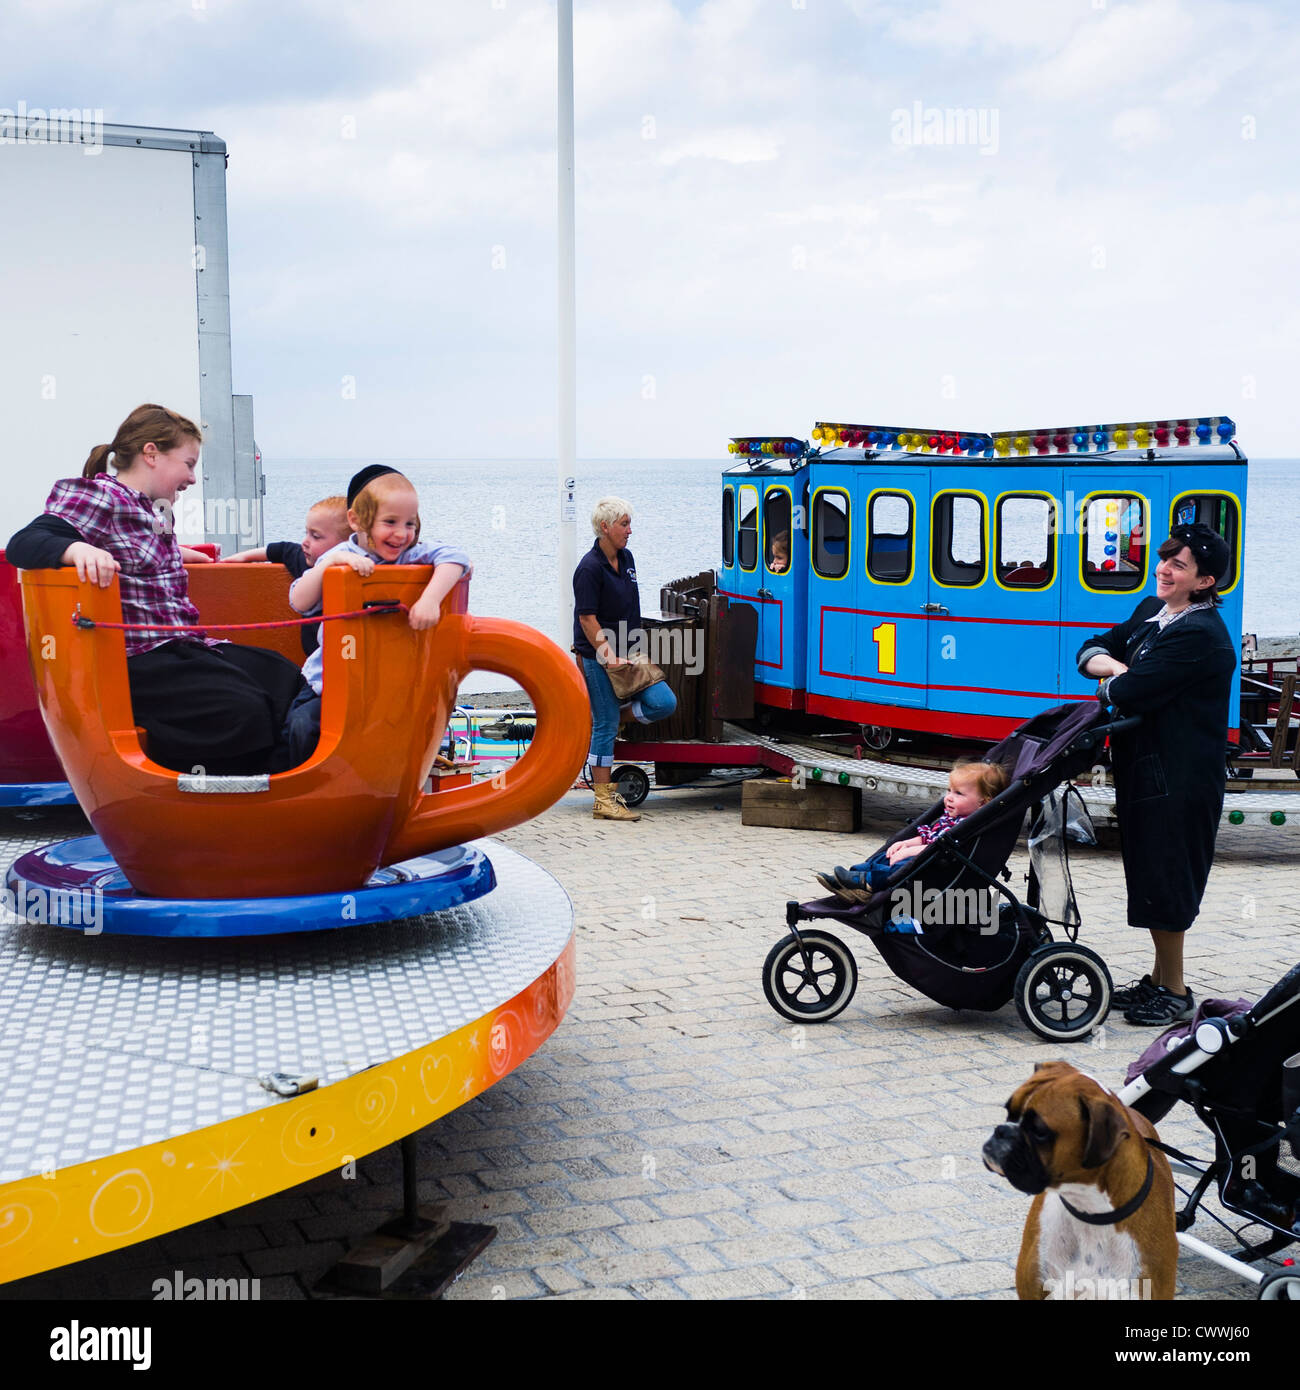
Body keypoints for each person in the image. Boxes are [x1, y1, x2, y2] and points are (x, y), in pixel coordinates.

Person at [5, 403, 309, 774]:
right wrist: (77, 548)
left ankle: (285, 769)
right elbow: (27, 541)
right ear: (152, 454)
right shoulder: (99, 496)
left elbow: (131, 546)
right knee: (240, 708)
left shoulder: (156, 509)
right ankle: (235, 785)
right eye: (189, 464)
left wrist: (177, 554)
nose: (193, 478)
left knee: (283, 676)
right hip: (140, 660)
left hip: (180, 645)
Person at [1076, 523, 1236, 1027]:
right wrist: (1116, 669)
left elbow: (1124, 694)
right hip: (1147, 771)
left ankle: (1175, 990)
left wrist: (1117, 680)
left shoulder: (1201, 636)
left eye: (1179, 565)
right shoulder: (1153, 613)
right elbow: (1092, 649)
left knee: (1168, 878)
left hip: (1183, 778)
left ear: (1205, 581)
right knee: (1150, 874)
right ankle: (1157, 978)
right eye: (1165, 558)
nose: (1164, 569)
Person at [281, 466, 471, 764]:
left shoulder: (411, 554)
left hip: (384, 687)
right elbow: (299, 601)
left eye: (410, 523)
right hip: (327, 682)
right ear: (356, 520)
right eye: (390, 522)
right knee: (301, 726)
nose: (401, 533)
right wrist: (330, 563)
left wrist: (429, 600)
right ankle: (301, 787)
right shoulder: (339, 554)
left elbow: (456, 558)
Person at [573, 497, 677, 821]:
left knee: (664, 701)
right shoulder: (588, 569)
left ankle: (613, 718)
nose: (630, 531)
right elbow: (587, 619)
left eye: (629, 523)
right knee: (605, 724)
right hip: (597, 656)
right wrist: (608, 655)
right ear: (605, 527)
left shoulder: (627, 558)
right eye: (624, 524)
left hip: (631, 651)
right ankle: (603, 800)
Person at [814, 760, 1008, 902]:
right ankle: (854, 879)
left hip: (936, 868)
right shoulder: (951, 817)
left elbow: (942, 848)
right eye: (949, 791)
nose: (948, 798)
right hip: (926, 856)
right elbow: (929, 837)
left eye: (958, 793)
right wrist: (906, 843)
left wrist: (911, 852)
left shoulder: (969, 825)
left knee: (902, 864)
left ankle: (866, 884)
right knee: (888, 853)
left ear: (984, 802)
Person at [224, 496, 351, 655]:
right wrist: (241, 557)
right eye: (306, 533)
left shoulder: (357, 573)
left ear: (346, 544)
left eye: (316, 536)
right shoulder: (308, 563)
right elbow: (281, 550)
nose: (305, 541)